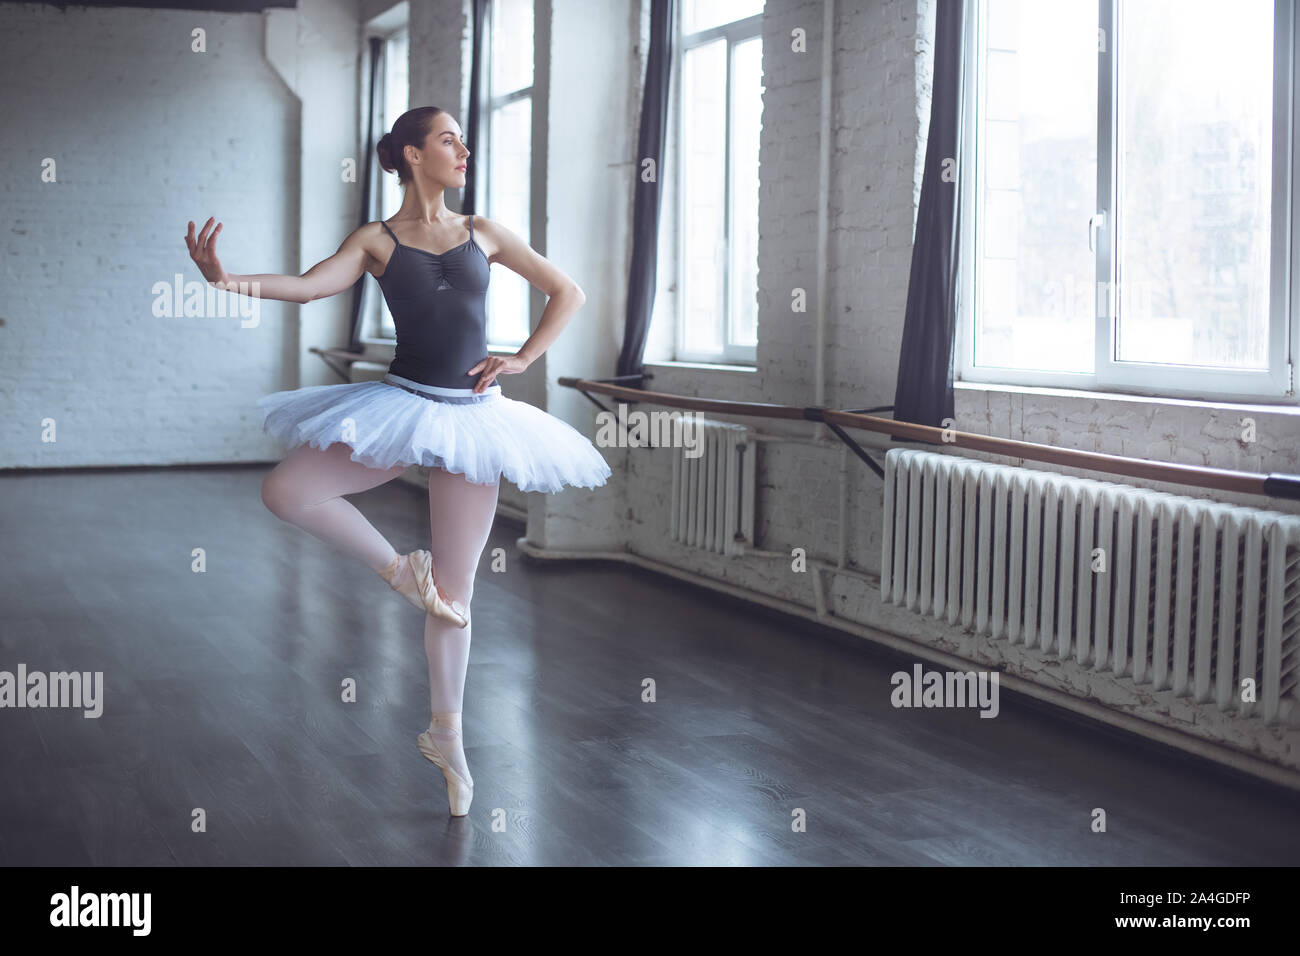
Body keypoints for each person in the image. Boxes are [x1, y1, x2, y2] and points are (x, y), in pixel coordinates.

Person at [184, 106, 611, 817]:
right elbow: (312, 284)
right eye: (449, 140)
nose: (463, 150)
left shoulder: (485, 233)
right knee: (288, 491)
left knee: (457, 595)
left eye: (463, 141)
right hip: (404, 405)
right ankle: (397, 570)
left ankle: (448, 736)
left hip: (475, 421)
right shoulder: (377, 240)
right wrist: (228, 283)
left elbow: (568, 291)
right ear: (413, 155)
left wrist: (523, 356)